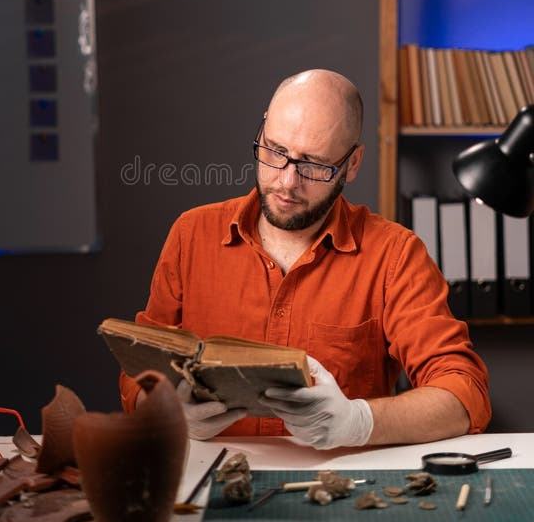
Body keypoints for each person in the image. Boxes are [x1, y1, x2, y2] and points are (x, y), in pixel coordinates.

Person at [120, 69, 491, 450]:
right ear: (262, 132)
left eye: (314, 165)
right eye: (275, 151)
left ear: (352, 164)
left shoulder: (394, 254)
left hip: (337, 489)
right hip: (206, 479)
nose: (287, 182)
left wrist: (360, 422)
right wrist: (167, 410)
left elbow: (464, 395)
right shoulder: (191, 234)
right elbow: (139, 373)